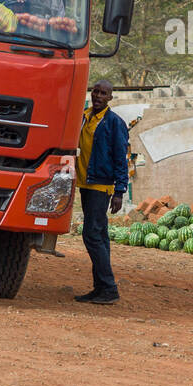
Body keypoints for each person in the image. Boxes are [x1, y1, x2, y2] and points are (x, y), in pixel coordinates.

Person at [75, 80, 128, 304]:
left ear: (110, 98)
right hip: (85, 184)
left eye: (103, 93)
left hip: (100, 185)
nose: (98, 96)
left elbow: (120, 158)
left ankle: (109, 288)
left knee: (91, 235)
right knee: (101, 236)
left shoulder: (114, 123)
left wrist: (119, 190)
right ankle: (100, 288)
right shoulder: (84, 116)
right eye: (96, 91)